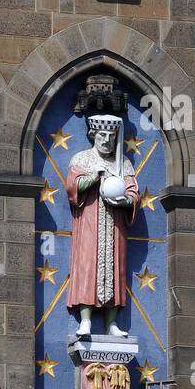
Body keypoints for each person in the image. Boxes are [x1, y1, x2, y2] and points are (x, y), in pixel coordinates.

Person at [66, 113, 138, 338]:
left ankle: (111, 323)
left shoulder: (122, 162)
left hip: (114, 225)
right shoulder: (82, 159)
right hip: (89, 223)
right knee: (87, 267)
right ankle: (85, 320)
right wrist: (93, 178)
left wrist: (124, 200)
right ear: (93, 135)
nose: (106, 140)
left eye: (111, 136)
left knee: (116, 270)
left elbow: (133, 192)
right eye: (102, 135)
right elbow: (72, 187)